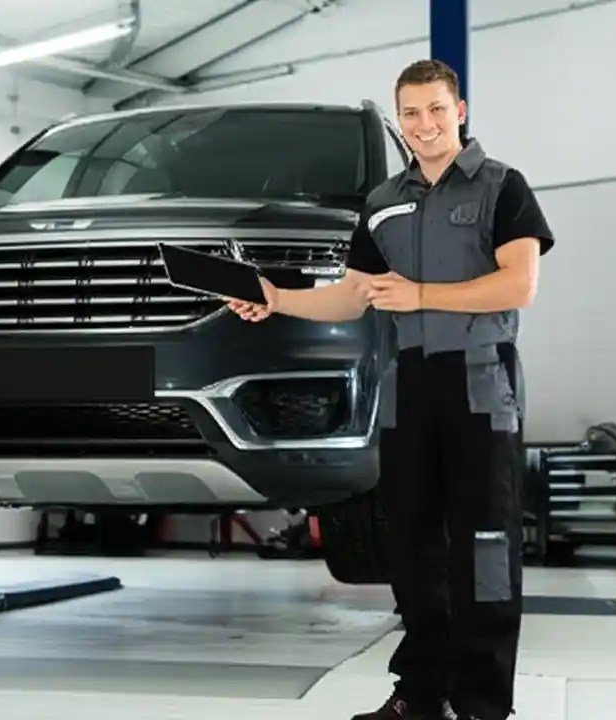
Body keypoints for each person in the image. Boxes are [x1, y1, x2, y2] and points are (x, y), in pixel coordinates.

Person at [228, 59, 555, 720]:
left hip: (480, 384)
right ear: (399, 118)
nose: (425, 125)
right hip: (408, 386)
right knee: (410, 546)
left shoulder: (502, 187)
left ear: (459, 110)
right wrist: (274, 299)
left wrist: (421, 294)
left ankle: (485, 702)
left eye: (436, 109)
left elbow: (520, 284)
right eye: (411, 113)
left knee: (485, 545)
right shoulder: (382, 203)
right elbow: (351, 299)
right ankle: (421, 694)